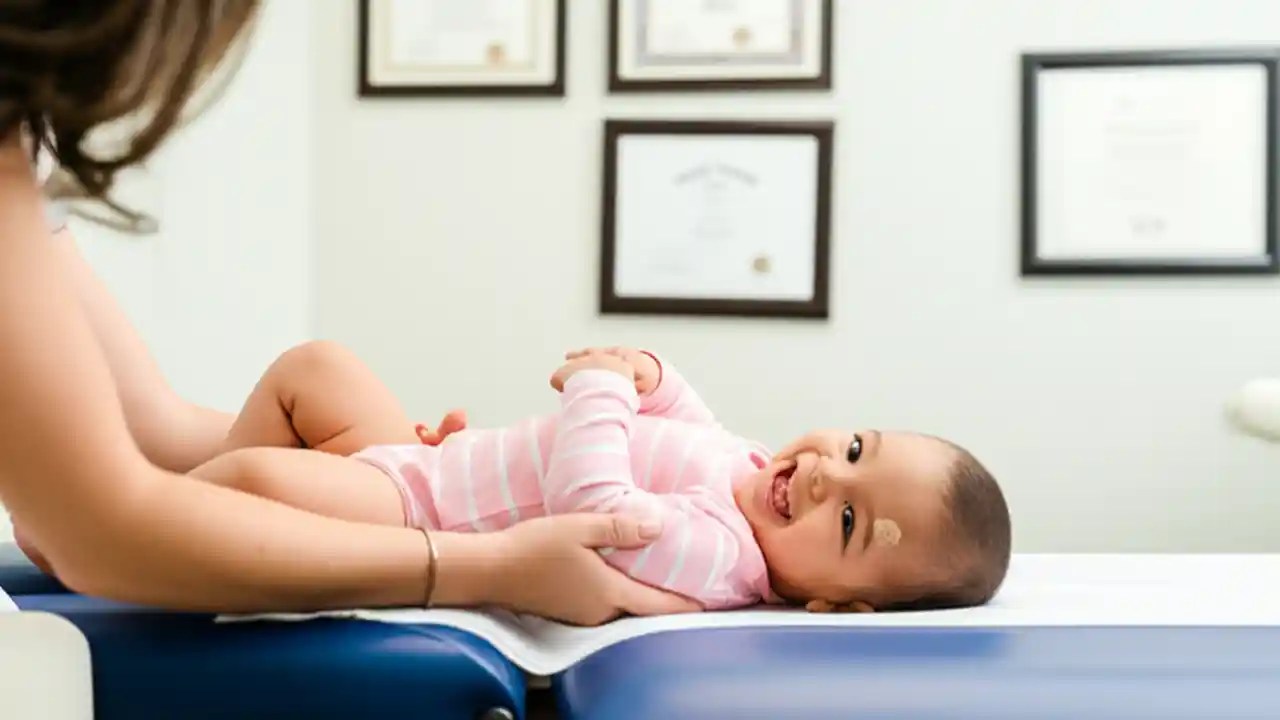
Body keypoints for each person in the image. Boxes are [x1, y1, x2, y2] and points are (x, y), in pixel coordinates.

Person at [0, 1, 697, 626]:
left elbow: (151, 426)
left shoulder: (23, 148)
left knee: (321, 373)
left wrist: (406, 473)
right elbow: (90, 531)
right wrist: (491, 564)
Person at [184, 341, 1014, 612]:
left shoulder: (722, 556)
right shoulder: (757, 472)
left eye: (850, 523)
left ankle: (160, 528)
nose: (827, 479)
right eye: (856, 450)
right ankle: (178, 497)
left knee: (256, 483)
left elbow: (593, 506)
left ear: (835, 603)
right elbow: (691, 426)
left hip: (413, 511)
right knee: (316, 369)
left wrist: (602, 387)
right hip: (430, 464)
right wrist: (652, 372)